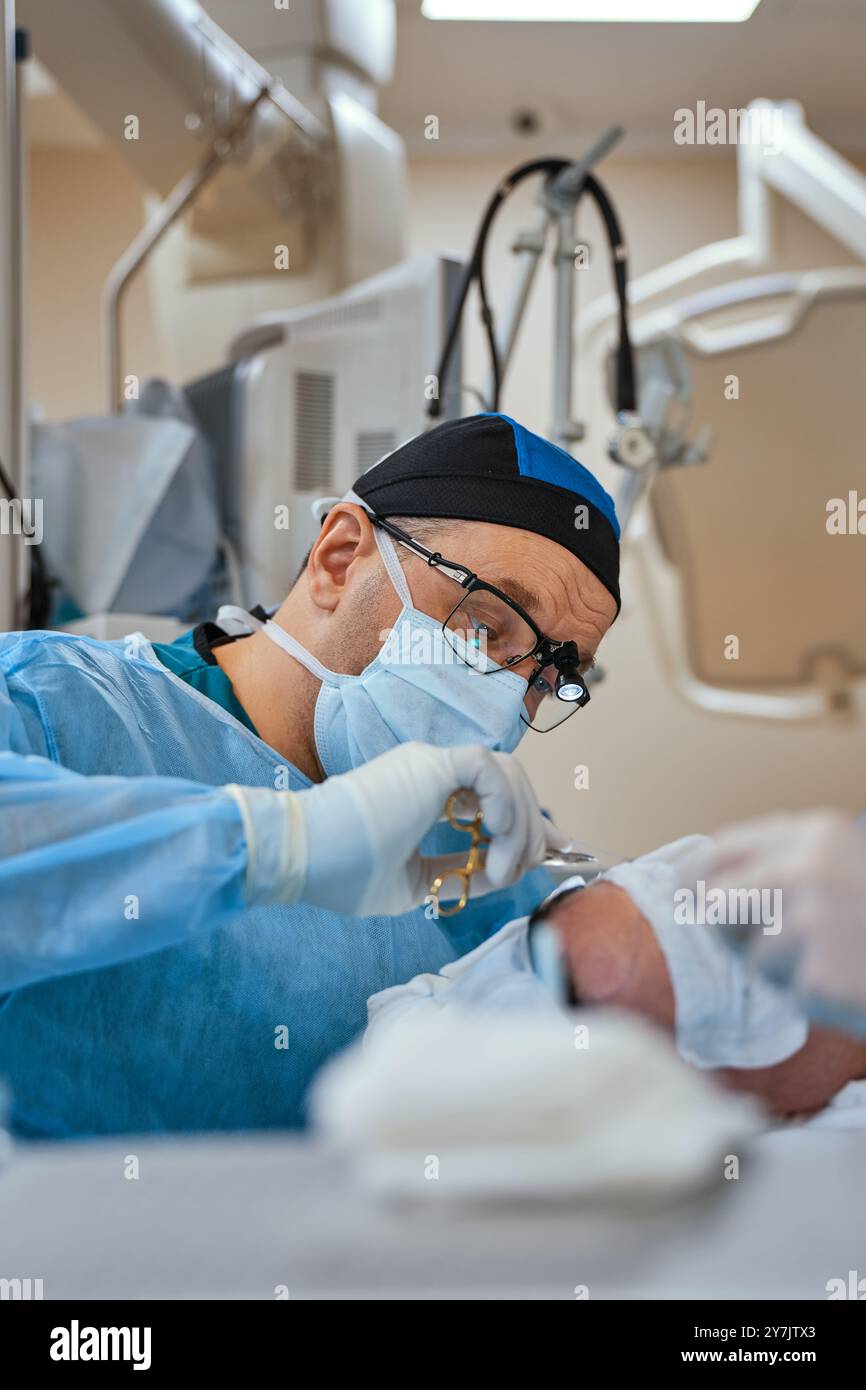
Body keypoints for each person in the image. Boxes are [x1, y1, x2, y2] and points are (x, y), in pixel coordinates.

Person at [0, 412, 621, 1137]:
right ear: (339, 557)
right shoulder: (55, 704)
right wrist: (284, 843)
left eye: (548, 674)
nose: (506, 693)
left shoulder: (475, 845)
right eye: (483, 625)